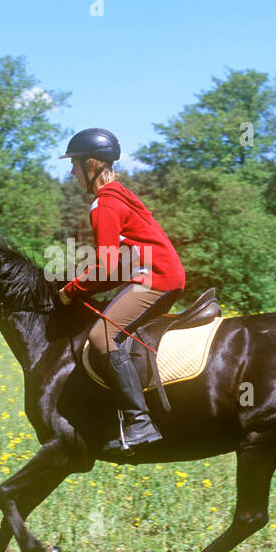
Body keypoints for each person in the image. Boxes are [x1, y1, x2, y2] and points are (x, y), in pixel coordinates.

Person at [57, 128, 185, 451]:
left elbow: (107, 264)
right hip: (156, 275)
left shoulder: (105, 204)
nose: (72, 173)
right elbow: (120, 263)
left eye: (75, 165)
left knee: (101, 336)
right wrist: (84, 287)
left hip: (156, 279)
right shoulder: (118, 196)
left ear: (92, 165)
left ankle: (139, 421)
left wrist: (71, 290)